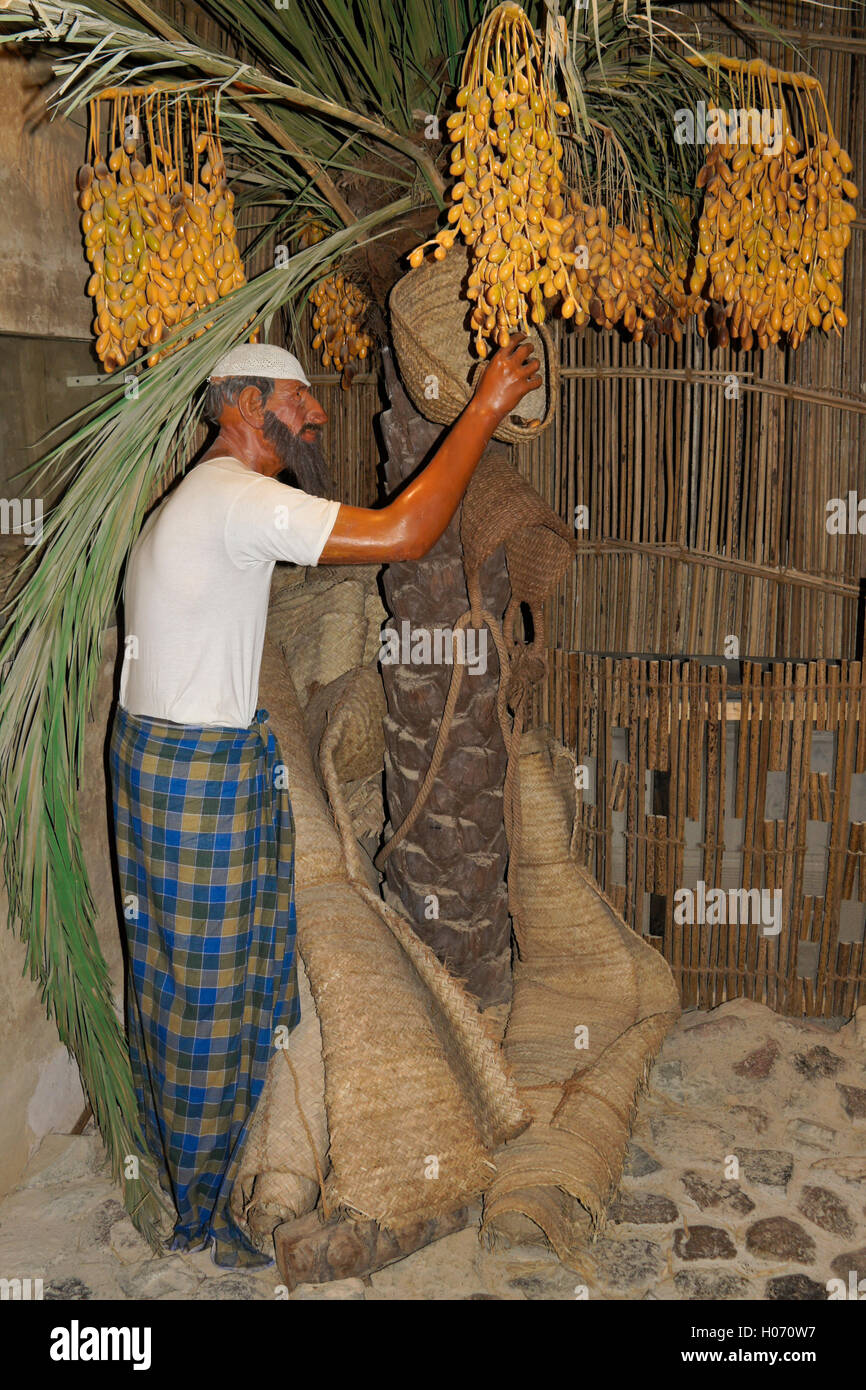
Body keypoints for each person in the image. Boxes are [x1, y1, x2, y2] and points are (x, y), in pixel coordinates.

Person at [109, 333, 541, 1266]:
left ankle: (197, 1176)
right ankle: (201, 1210)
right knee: (209, 989)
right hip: (193, 771)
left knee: (189, 981)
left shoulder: (200, 503)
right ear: (240, 405)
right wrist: (486, 407)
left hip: (167, 763)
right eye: (296, 400)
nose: (316, 415)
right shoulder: (233, 500)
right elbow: (405, 534)